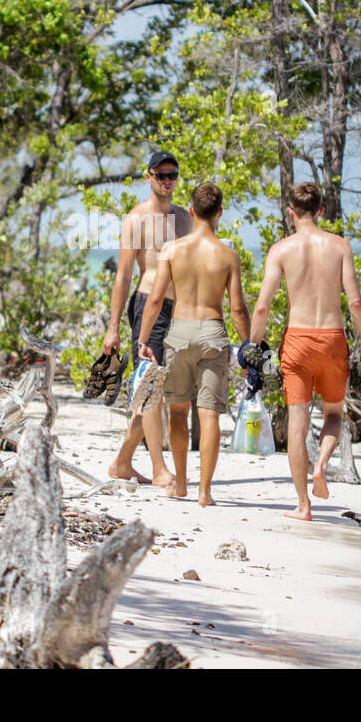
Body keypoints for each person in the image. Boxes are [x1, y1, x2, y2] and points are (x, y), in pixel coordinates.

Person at [250, 182, 361, 521]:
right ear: (321, 210)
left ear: (290, 212)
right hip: (333, 338)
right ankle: (321, 464)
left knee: (297, 424)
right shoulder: (340, 246)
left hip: (297, 341)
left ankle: (303, 505)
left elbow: (262, 308)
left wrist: (254, 346)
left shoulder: (281, 250)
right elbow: (355, 302)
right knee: (334, 414)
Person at [137, 183, 249, 505]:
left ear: (190, 211)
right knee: (210, 414)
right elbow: (238, 309)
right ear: (220, 214)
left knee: (177, 411)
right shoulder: (229, 255)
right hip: (213, 331)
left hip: (179, 333)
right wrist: (249, 345)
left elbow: (156, 299)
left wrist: (144, 340)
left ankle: (181, 483)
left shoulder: (172, 250)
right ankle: (205, 492)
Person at [102, 150, 190, 488]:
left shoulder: (184, 218)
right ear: (149, 176)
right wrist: (113, 329)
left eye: (173, 175)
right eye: (161, 175)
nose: (168, 181)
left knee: (158, 388)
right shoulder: (135, 220)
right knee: (150, 384)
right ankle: (158, 468)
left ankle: (123, 461)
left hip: (178, 310)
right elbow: (123, 276)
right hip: (146, 307)